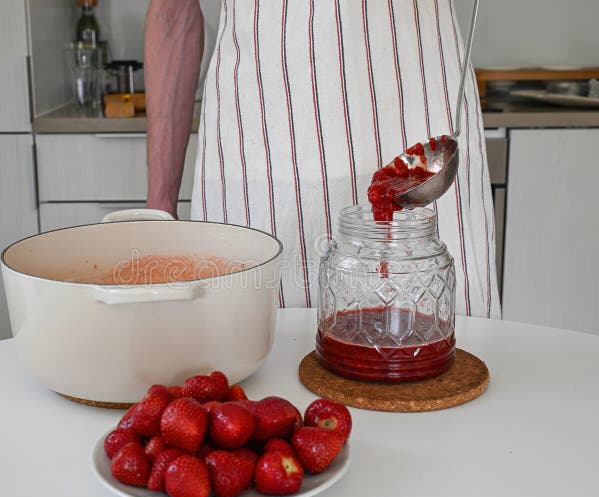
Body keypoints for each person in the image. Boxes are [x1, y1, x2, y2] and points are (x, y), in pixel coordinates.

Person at [144, 0, 500, 318]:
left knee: (449, 353)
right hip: (260, 155)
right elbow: (173, 13)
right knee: (246, 356)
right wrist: (159, 213)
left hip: (421, 135)